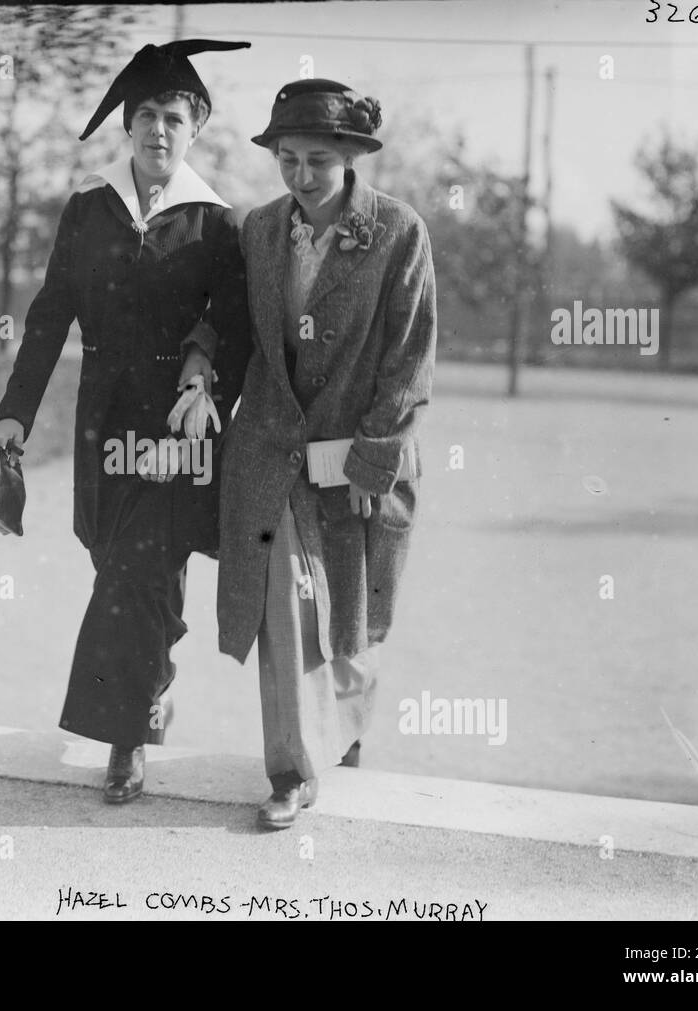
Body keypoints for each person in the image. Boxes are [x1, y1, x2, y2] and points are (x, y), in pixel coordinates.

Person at [0, 41, 250, 804]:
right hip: (104, 424)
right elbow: (47, 319)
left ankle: (127, 739)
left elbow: (232, 325)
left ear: (194, 128)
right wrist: (13, 416)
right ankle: (154, 682)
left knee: (142, 572)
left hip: (175, 429)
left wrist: (205, 382)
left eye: (173, 116)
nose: (158, 130)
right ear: (126, 129)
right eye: (145, 117)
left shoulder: (215, 226)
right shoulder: (87, 212)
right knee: (118, 565)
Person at [194, 79, 437, 829]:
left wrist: (374, 456)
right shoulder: (259, 230)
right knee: (281, 613)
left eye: (318, 162)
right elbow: (232, 325)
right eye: (288, 159)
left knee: (354, 617)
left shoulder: (400, 233)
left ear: (354, 157)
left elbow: (409, 356)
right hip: (267, 453)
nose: (300, 178)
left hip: (359, 459)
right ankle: (291, 771)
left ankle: (342, 731)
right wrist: (200, 367)